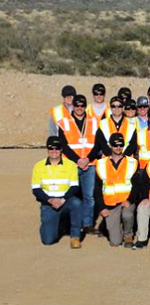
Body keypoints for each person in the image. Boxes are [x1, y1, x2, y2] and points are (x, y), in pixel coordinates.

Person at [57, 94, 100, 239]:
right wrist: (77, 160)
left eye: (82, 105)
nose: (79, 108)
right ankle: (71, 223)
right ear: (73, 106)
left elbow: (98, 144)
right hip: (72, 165)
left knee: (89, 197)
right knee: (71, 196)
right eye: (77, 105)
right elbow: (63, 145)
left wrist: (87, 159)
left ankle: (87, 224)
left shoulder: (94, 122)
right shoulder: (64, 123)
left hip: (90, 165)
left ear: (85, 106)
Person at [33, 135, 84, 247]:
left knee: (77, 203)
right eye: (51, 148)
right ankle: (51, 225)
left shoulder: (70, 165)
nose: (54, 151)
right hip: (48, 202)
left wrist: (63, 199)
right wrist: (50, 200)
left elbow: (75, 186)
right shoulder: (38, 166)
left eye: (57, 148)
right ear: (47, 149)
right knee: (48, 240)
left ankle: (75, 236)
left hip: (65, 200)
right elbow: (36, 189)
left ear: (61, 149)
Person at [94, 133, 138, 248]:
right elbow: (97, 189)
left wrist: (130, 200)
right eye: (115, 145)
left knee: (127, 215)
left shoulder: (132, 162)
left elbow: (136, 186)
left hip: (126, 201)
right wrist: (102, 208)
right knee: (115, 242)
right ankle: (111, 228)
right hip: (110, 204)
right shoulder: (101, 164)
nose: (118, 147)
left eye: (121, 145)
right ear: (110, 145)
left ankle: (128, 235)